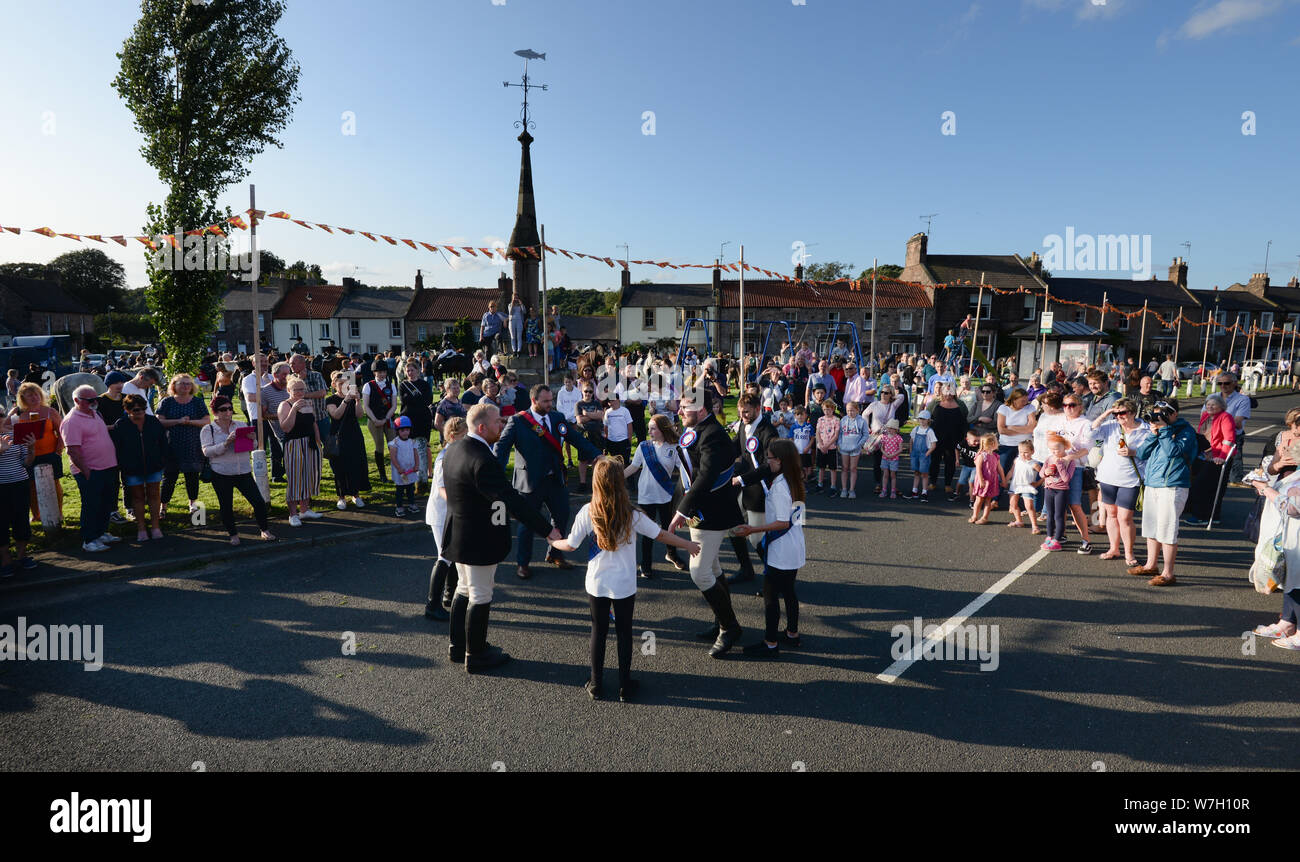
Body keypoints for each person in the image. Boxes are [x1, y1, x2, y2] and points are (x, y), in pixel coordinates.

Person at [550, 456, 699, 700]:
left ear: (596, 482)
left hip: (596, 583)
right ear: (621, 482)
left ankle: (596, 683)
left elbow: (571, 545)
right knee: (624, 632)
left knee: (598, 631)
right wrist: (688, 544)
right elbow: (660, 535)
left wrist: (552, 541)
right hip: (624, 584)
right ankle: (624, 685)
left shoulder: (588, 511)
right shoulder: (632, 514)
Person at [442, 402, 561, 672]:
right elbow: (512, 501)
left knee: (463, 589)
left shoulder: (454, 449)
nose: (503, 424)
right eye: (498, 422)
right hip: (478, 540)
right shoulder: (483, 460)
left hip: (458, 536)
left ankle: (457, 647)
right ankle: (477, 654)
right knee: (481, 595)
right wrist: (548, 530)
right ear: (482, 427)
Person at [493, 383, 602, 579]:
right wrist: (494, 475)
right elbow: (501, 449)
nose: (550, 404)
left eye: (551, 400)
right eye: (545, 401)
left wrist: (597, 455)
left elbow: (576, 439)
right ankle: (523, 563)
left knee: (561, 516)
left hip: (555, 479)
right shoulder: (518, 422)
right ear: (534, 401)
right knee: (527, 524)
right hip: (530, 482)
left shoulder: (556, 417)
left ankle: (555, 553)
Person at [668, 394, 747, 658]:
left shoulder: (712, 434)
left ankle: (729, 626)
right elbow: (687, 473)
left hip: (712, 512)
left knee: (699, 573)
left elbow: (706, 475)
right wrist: (681, 506)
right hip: (700, 511)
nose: (679, 411)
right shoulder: (698, 429)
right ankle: (721, 621)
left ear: (700, 409)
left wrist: (682, 510)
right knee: (712, 567)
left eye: (684, 407)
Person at [734, 439, 806, 658]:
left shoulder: (782, 487)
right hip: (793, 544)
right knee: (789, 591)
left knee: (770, 595)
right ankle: (792, 633)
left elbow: (783, 522)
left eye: (771, 458)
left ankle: (771, 643)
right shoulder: (794, 481)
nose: (767, 462)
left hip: (782, 548)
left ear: (781, 461)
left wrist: (753, 529)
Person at [1130, 401, 1197, 586]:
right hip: (1153, 483)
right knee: (1151, 528)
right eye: (1156, 414)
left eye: (1162, 414)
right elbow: (1142, 453)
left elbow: (1173, 452)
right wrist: (1153, 435)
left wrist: (1165, 431)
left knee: (1167, 529)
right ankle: (1151, 565)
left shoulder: (1186, 431)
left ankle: (1168, 573)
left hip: (1173, 485)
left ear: (1174, 414)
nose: (1158, 418)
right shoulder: (1159, 431)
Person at [200, 395, 274, 546]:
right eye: (223, 409)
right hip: (222, 473)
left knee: (259, 502)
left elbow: (252, 447)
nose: (228, 412)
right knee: (226, 506)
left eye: (230, 408)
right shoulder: (209, 430)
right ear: (215, 412)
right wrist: (226, 443)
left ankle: (264, 530)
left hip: (243, 471)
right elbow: (207, 452)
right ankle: (233, 534)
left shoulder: (240, 424)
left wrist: (252, 439)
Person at [624, 414, 686, 579]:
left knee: (668, 528)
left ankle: (671, 554)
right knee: (647, 532)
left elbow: (684, 470)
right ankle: (645, 563)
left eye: (653, 428)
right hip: (646, 497)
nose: (649, 431)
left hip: (665, 495)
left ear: (662, 429)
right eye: (649, 428)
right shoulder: (643, 447)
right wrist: (616, 477)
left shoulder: (673, 448)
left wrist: (688, 488)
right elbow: (633, 467)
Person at [1090, 398, 1149, 565]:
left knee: (1125, 518)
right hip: (1108, 477)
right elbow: (1091, 433)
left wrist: (1133, 452)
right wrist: (1106, 414)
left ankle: (1129, 553)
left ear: (1132, 412)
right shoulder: (1110, 426)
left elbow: (1149, 452)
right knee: (1112, 514)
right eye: (1115, 414)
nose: (1119, 417)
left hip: (1130, 479)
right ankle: (1113, 548)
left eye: (1122, 413)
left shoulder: (1145, 429)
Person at [729, 394, 777, 586]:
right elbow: (735, 447)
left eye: (747, 412)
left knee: (756, 539)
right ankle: (746, 569)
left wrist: (741, 479)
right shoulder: (743, 424)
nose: (743, 416)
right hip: (743, 488)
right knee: (733, 527)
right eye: (741, 412)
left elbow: (769, 465)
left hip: (760, 490)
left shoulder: (769, 432)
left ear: (758, 409)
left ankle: (775, 578)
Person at [423, 416, 466, 622]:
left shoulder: (459, 452)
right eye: (463, 435)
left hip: (451, 512)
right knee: (445, 556)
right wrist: (459, 502)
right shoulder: (443, 457)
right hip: (441, 513)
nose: (467, 439)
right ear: (451, 436)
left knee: (452, 553)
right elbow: (441, 488)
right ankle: (432, 605)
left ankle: (449, 595)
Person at [111, 393, 166, 543]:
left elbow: (163, 443)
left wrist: (161, 461)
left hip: (153, 466)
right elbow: (117, 448)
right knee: (137, 497)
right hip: (132, 468)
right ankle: (141, 528)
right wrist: (123, 465)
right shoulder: (121, 425)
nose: (140, 412)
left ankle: (155, 527)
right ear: (128, 410)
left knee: (154, 495)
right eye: (136, 410)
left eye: (142, 408)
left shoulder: (153, 422)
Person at [8, 381, 64, 526]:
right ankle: (36, 515)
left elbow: (61, 432)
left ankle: (59, 512)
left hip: (51, 453)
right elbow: (5, 426)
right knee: (31, 486)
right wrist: (12, 412)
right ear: (23, 398)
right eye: (30, 395)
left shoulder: (50, 411)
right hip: (29, 456)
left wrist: (58, 451)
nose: (34, 397)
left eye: (36, 394)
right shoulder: (19, 414)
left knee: (55, 484)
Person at [156, 372, 210, 518]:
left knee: (192, 476)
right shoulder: (167, 402)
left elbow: (206, 421)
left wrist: (190, 422)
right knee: (169, 477)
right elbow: (159, 421)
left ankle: (193, 504)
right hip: (171, 444)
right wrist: (178, 421)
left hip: (192, 444)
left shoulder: (197, 401)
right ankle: (163, 506)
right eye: (182, 383)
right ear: (174, 386)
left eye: (188, 384)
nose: (186, 386)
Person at [1184, 393, 1237, 525]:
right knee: (1197, 483)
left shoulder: (1226, 417)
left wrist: (1222, 457)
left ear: (1221, 406)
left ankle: (1202, 515)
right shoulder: (1206, 416)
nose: (1210, 407)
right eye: (1208, 404)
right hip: (1204, 455)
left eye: (1213, 404)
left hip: (1218, 456)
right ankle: (1201, 512)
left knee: (1204, 485)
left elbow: (1229, 439)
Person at [278, 375, 324, 527]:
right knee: (295, 479)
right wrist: (294, 410)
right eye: (296, 389)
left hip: (310, 444)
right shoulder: (285, 405)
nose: (299, 392)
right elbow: (286, 428)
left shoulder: (309, 403)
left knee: (309, 476)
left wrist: (318, 442)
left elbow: (314, 423)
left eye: (302, 389)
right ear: (289, 390)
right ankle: (293, 514)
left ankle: (305, 509)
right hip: (294, 445)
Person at [324, 370, 370, 510]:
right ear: (334, 385)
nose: (344, 385)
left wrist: (357, 400)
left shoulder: (352, 396)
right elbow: (336, 415)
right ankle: (341, 497)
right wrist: (346, 400)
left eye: (346, 383)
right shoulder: (330, 400)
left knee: (355, 464)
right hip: (338, 435)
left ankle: (355, 495)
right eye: (340, 383)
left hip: (354, 434)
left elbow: (360, 415)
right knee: (340, 467)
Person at [0, 414, 37, 576]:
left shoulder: (15, 434)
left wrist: (31, 448)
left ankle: (22, 555)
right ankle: (6, 560)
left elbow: (26, 462)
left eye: (1, 415)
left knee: (21, 519)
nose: (1, 418)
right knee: (1, 523)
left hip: (20, 484)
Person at [398, 357, 433, 489]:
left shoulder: (424, 384)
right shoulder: (403, 385)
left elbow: (427, 399)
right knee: (408, 451)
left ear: (418, 371)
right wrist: (416, 398)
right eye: (407, 371)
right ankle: (410, 481)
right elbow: (404, 400)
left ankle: (422, 481)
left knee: (422, 450)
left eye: (412, 370)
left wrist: (413, 398)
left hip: (423, 420)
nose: (410, 373)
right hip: (408, 420)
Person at [1039, 433, 1077, 551]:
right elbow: (1041, 474)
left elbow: (1066, 479)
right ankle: (1050, 537)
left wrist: (1060, 466)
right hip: (1049, 489)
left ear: (1065, 447)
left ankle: (1057, 540)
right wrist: (1046, 472)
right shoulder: (1049, 458)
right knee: (1049, 515)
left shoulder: (1070, 461)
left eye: (1057, 449)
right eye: (1051, 449)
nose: (1054, 452)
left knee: (1059, 516)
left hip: (1061, 490)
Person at [361, 360, 396, 481]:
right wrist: (376, 420)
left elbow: (394, 405)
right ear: (374, 372)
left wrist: (386, 418)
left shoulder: (391, 385)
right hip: (374, 419)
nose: (382, 374)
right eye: (380, 372)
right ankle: (382, 474)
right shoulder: (368, 386)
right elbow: (366, 406)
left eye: (384, 372)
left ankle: (396, 472)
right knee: (379, 445)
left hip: (388, 419)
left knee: (393, 445)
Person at [969, 433, 1004, 525]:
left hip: (992, 481)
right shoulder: (981, 455)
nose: (998, 443)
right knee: (979, 499)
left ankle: (984, 517)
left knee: (988, 500)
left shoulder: (996, 456)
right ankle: (974, 516)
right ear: (992, 444)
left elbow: (999, 468)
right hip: (983, 481)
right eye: (997, 442)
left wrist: (1003, 479)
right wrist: (981, 480)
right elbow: (978, 468)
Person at [575, 382, 604, 491]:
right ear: (582, 391)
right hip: (584, 434)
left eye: (590, 391)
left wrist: (586, 414)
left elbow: (601, 415)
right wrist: (593, 416)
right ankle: (583, 483)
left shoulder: (597, 404)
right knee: (583, 460)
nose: (588, 393)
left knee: (596, 458)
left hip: (596, 434)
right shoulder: (578, 404)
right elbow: (579, 420)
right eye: (586, 391)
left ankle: (595, 481)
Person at [1008, 440, 1042, 532]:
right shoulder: (1016, 460)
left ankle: (1035, 526)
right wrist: (1005, 480)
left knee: (1029, 507)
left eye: (1026, 452)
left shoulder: (1034, 464)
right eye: (1021, 452)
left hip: (1027, 486)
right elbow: (1011, 471)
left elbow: (1044, 474)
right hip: (1015, 485)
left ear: (1032, 451)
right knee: (1013, 505)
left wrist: (1038, 483)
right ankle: (1019, 521)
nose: (1023, 454)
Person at [837, 399, 868, 499]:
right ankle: (844, 489)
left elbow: (865, 434)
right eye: (848, 410)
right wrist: (840, 444)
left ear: (857, 410)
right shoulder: (843, 420)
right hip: (844, 448)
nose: (850, 412)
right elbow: (840, 434)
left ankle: (851, 489)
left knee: (853, 468)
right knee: (844, 468)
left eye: (852, 410)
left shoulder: (862, 421)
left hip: (855, 448)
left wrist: (859, 444)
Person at [909, 410, 937, 501]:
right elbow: (911, 440)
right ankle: (914, 491)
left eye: (924, 419)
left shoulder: (929, 431)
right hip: (915, 454)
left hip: (924, 454)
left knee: (924, 474)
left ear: (928, 420)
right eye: (920, 418)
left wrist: (927, 454)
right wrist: (911, 451)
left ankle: (924, 492)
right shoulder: (916, 429)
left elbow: (933, 445)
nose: (922, 421)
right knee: (916, 472)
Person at [814, 399, 840, 497]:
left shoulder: (836, 420)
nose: (826, 411)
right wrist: (821, 444)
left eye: (828, 409)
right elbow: (817, 432)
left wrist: (827, 445)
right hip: (821, 447)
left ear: (833, 409)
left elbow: (836, 435)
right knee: (821, 466)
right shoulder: (820, 419)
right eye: (825, 409)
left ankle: (833, 486)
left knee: (833, 468)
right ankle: (819, 484)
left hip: (831, 447)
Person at [601, 392, 633, 464]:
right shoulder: (608, 412)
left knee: (625, 462)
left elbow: (629, 425)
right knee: (615, 462)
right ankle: (617, 475)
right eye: (609, 401)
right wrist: (607, 437)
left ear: (618, 400)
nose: (611, 402)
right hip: (612, 441)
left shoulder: (625, 411)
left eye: (613, 400)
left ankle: (627, 475)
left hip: (623, 440)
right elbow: (605, 426)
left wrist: (629, 438)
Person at [878, 419, 903, 499]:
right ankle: (884, 490)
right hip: (885, 458)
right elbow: (882, 448)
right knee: (885, 475)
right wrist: (885, 454)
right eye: (888, 428)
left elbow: (900, 449)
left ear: (896, 429)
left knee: (893, 475)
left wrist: (892, 455)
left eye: (891, 428)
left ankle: (893, 490)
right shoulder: (884, 437)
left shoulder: (898, 438)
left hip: (894, 459)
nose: (889, 430)